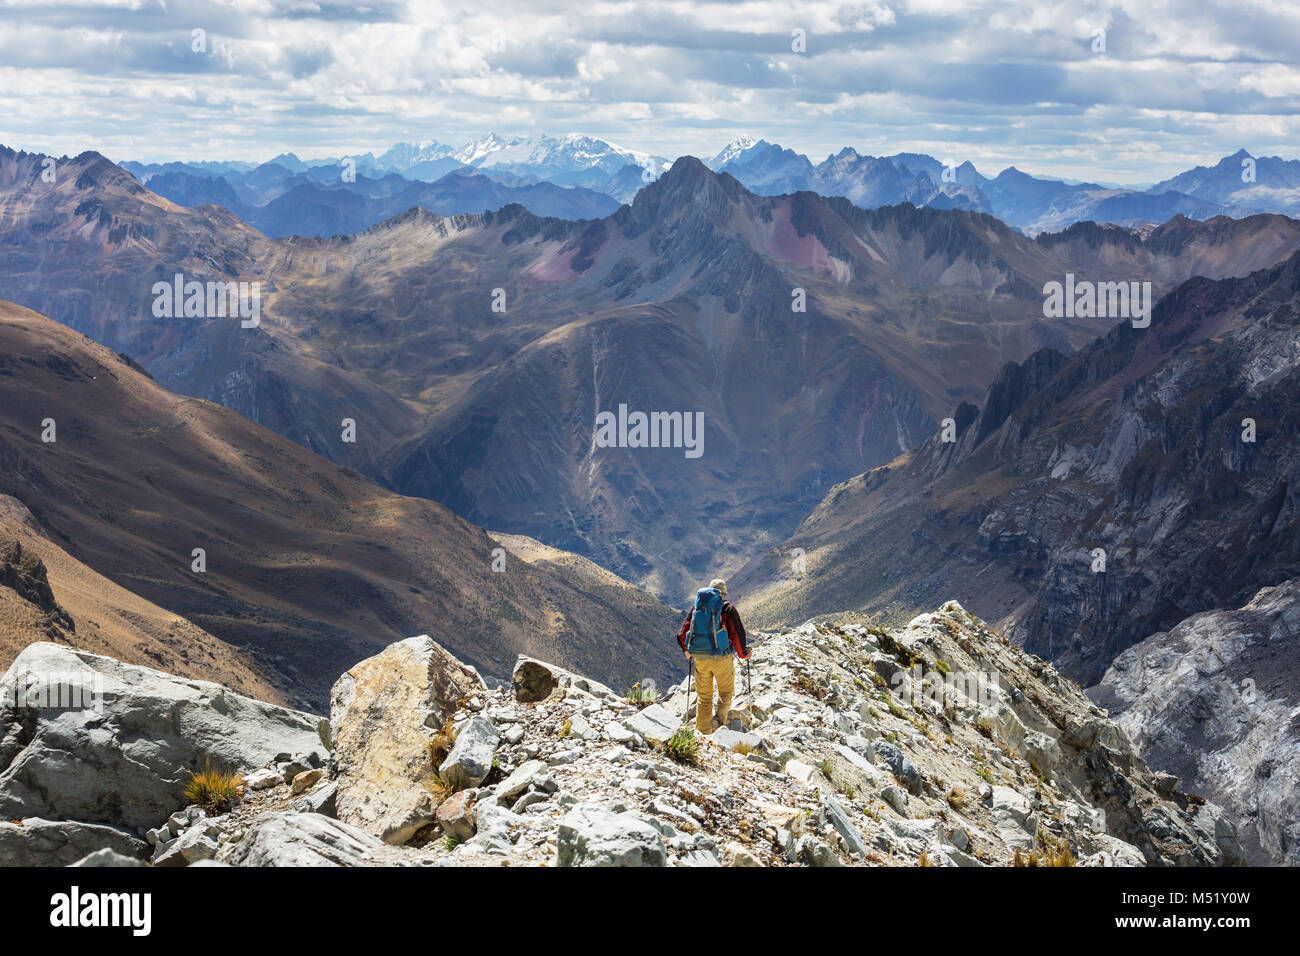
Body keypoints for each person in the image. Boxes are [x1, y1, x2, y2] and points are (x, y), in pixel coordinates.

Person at [676, 578, 749, 735]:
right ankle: (718, 723)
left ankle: (703, 733)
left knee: (704, 698)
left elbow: (681, 634)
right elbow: (737, 634)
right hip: (721, 659)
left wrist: (686, 650)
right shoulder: (727, 608)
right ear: (722, 593)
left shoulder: (697, 608)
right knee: (725, 693)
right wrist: (744, 654)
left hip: (700, 658)